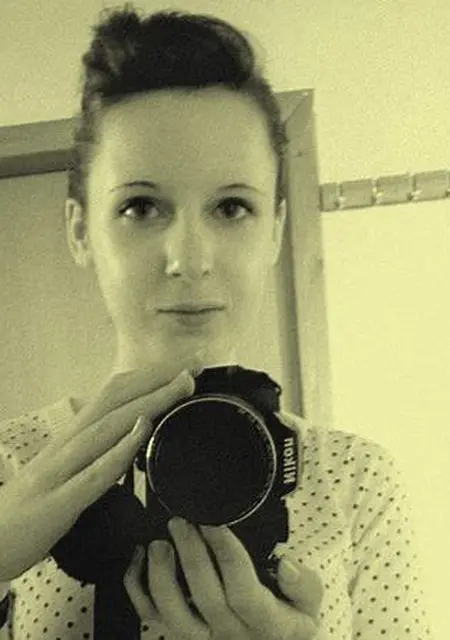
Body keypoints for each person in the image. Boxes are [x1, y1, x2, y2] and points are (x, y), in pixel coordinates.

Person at [0, 4, 433, 639]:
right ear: (80, 230)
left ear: (276, 229)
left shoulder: (355, 481)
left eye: (231, 207)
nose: (190, 259)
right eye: (140, 206)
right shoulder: (10, 466)